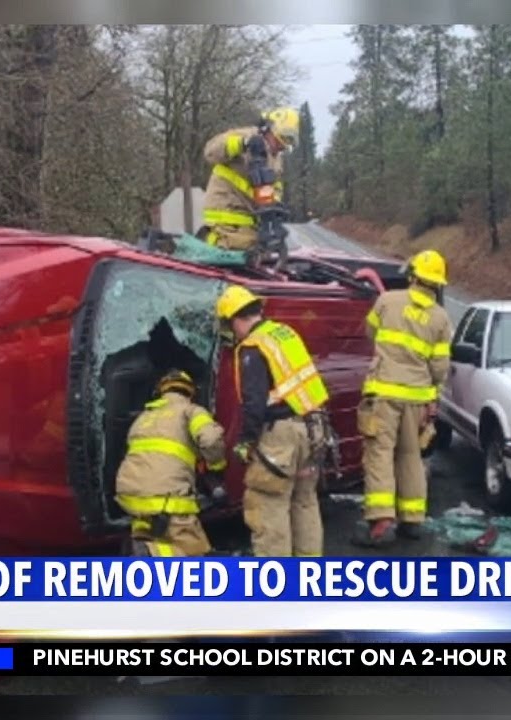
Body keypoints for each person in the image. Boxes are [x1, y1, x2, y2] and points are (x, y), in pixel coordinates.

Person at [216, 284, 330, 557]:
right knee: (304, 501)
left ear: (235, 319)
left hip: (281, 438)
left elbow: (253, 404)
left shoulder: (252, 348)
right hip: (314, 428)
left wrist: (245, 442)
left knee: (267, 504)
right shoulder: (283, 332)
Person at [353, 250, 455, 547]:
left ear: (413, 275)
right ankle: (412, 519)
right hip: (417, 399)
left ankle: (381, 522)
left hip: (384, 394)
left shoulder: (387, 301)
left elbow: (370, 331)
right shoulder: (441, 318)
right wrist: (432, 396)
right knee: (411, 456)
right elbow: (440, 368)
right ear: (437, 283)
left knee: (380, 454)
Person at [114, 370, 227, 557]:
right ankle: (150, 553)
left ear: (161, 391)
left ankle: (146, 550)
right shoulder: (191, 411)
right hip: (164, 496)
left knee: (155, 535)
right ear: (190, 392)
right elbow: (211, 440)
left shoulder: (143, 417)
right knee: (195, 553)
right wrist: (216, 465)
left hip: (130, 495)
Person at [200, 107, 301, 252]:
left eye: (288, 141)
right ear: (268, 129)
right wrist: (243, 144)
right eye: (281, 138)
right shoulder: (246, 136)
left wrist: (275, 204)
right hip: (226, 217)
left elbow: (274, 186)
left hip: (250, 222)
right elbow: (210, 152)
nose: (282, 145)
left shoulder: (276, 159)